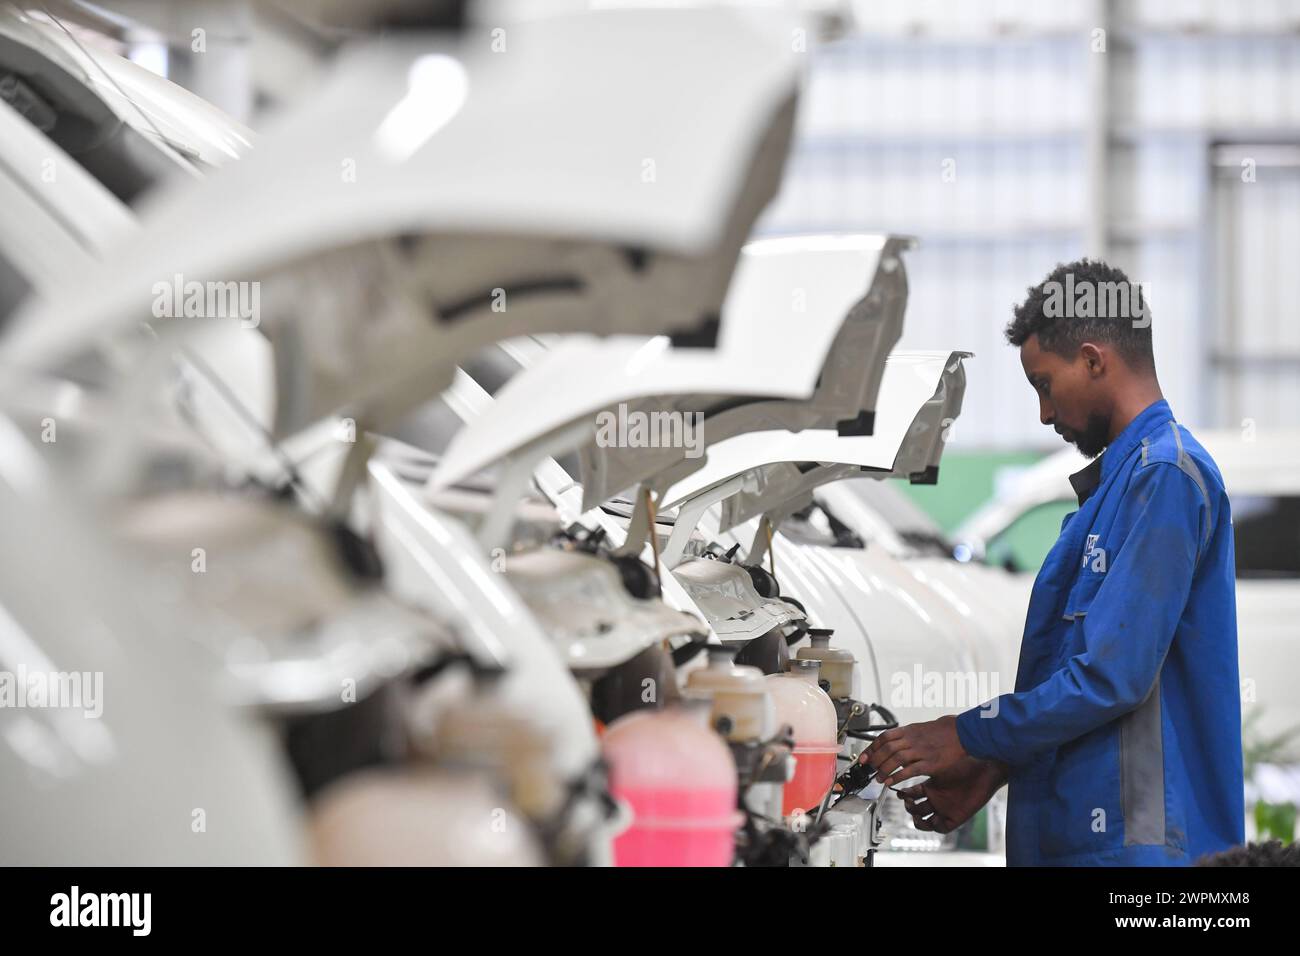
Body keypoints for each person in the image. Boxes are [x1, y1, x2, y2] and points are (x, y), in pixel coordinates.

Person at [862, 258, 1245, 865]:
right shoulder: (1120, 486)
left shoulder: (1164, 477)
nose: (1044, 413)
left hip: (1140, 852)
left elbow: (1109, 678)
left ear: (1094, 360)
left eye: (1044, 384)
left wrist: (966, 734)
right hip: (1086, 841)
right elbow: (1084, 685)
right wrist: (994, 766)